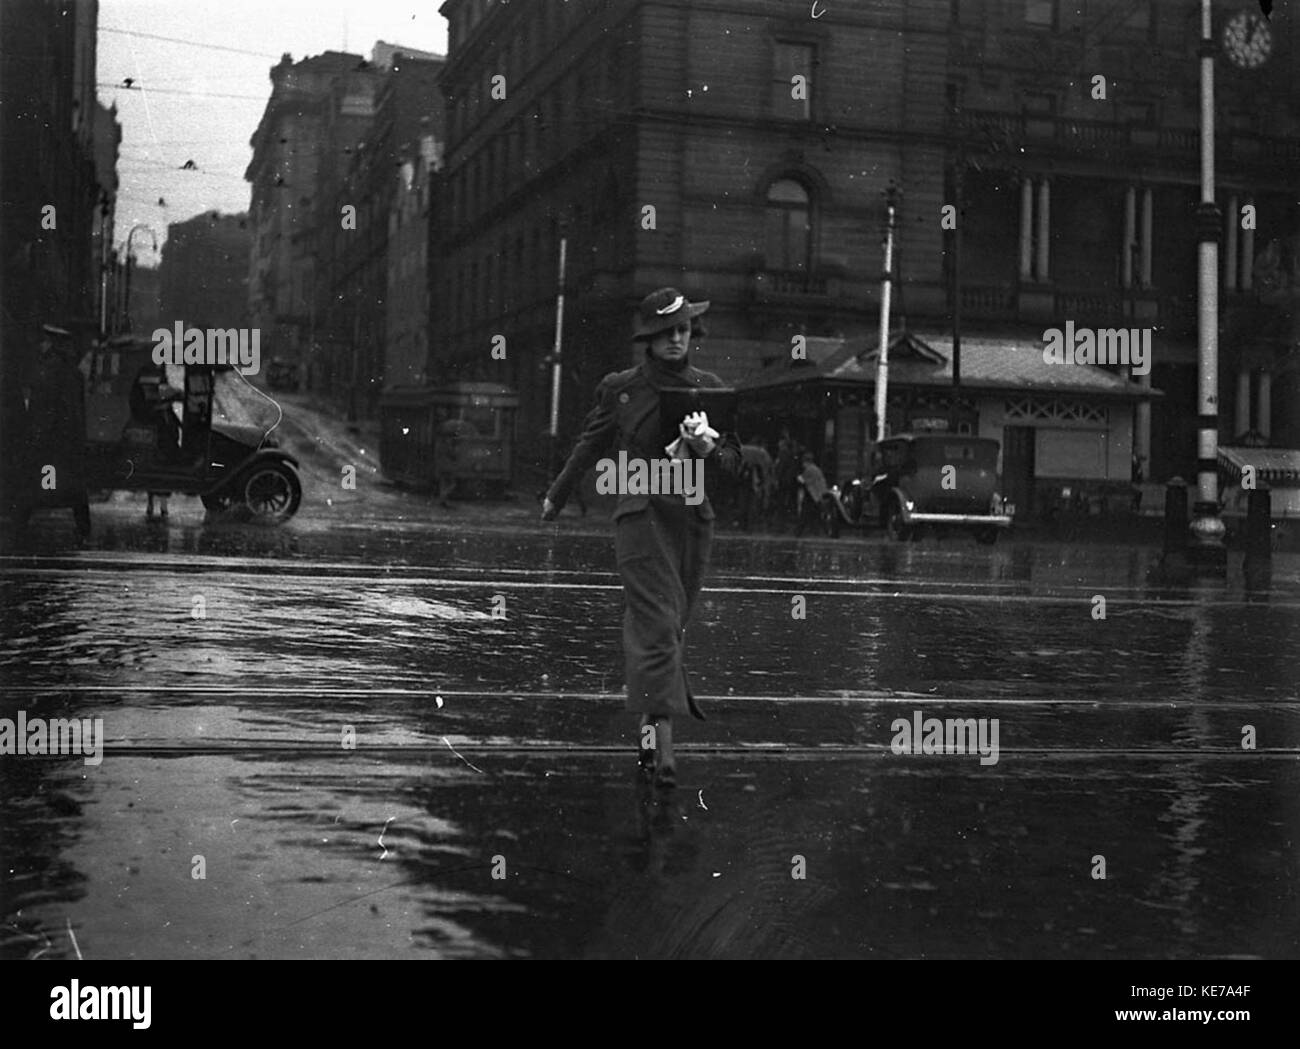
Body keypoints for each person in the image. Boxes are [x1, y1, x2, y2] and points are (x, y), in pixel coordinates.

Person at [541, 287, 740, 789]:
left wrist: (708, 445)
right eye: (664, 333)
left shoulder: (710, 389)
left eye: (682, 330)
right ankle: (664, 752)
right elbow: (591, 443)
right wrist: (557, 495)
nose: (675, 340)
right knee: (655, 629)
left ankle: (651, 736)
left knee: (668, 631)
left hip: (691, 523)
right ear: (647, 339)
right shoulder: (622, 388)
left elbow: (734, 465)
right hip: (640, 513)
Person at [794, 451, 829, 537]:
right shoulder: (816, 469)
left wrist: (798, 478)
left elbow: (804, 481)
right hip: (817, 495)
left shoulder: (809, 469)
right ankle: (819, 531)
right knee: (816, 515)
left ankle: (799, 532)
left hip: (812, 495)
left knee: (805, 514)